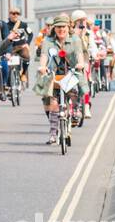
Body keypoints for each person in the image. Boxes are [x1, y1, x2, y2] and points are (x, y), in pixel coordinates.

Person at [36, 14, 85, 146]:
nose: (61, 29)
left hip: (71, 72)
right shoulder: (48, 40)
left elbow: (79, 54)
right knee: (52, 103)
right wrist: (42, 67)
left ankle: (75, 111)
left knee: (74, 91)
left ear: (68, 27)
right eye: (58, 27)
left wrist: (80, 64)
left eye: (63, 26)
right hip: (54, 74)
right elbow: (44, 55)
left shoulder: (75, 39)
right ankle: (53, 134)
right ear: (54, 28)